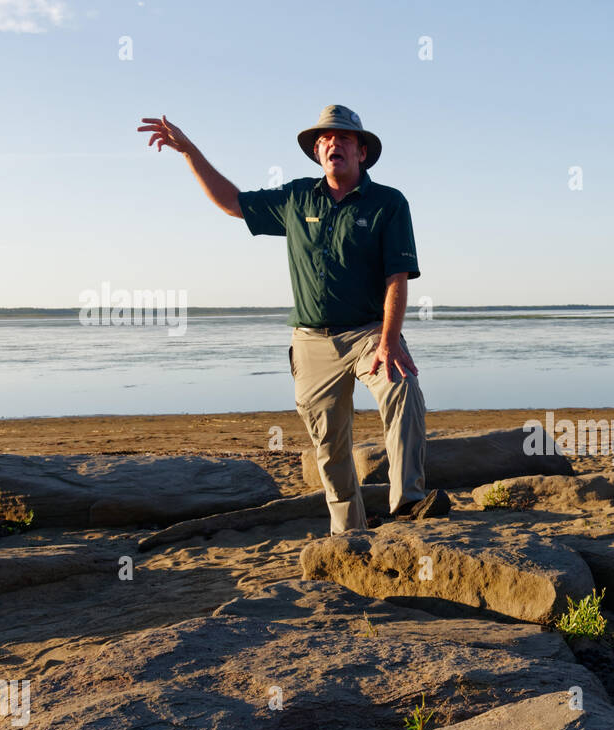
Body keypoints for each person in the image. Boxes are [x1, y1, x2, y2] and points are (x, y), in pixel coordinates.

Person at [138, 105, 449, 534]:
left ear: (361, 151)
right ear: (318, 152)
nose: (332, 143)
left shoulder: (388, 203)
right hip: (311, 341)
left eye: (342, 138)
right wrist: (188, 150)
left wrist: (389, 340)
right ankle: (349, 534)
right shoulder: (297, 197)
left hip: (369, 333)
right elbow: (232, 202)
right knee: (329, 446)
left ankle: (408, 501)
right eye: (324, 139)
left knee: (402, 387)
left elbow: (397, 277)